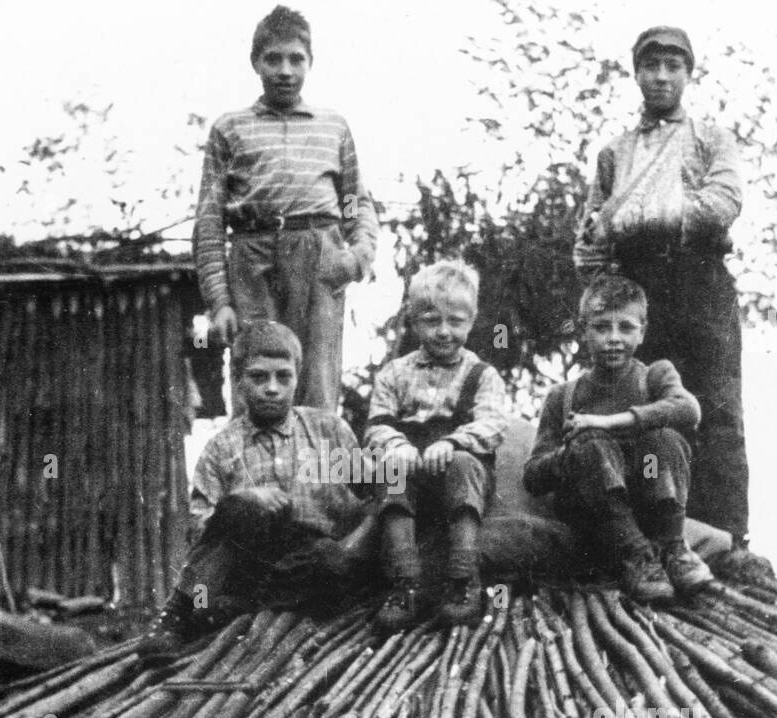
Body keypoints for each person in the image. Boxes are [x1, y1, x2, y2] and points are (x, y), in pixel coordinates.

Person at [574, 25, 755, 559]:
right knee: (641, 400)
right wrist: (603, 293)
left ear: (687, 74)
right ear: (636, 74)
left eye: (672, 66)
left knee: (715, 406)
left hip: (699, 282)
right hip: (638, 287)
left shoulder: (710, 140)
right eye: (651, 67)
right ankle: (651, 536)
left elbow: (720, 204)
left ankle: (728, 538)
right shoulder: (615, 154)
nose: (661, 77)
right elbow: (590, 236)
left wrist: (628, 220)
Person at [135, 321, 367, 654]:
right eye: (259, 377)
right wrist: (241, 499)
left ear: (297, 377)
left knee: (330, 560)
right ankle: (177, 613)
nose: (272, 388)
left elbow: (370, 495)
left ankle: (241, 606)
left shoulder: (328, 430)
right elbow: (201, 531)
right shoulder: (221, 448)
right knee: (241, 509)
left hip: (311, 562)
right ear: (239, 380)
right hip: (246, 560)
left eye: (283, 376)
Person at [192, 5, 379, 412]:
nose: (285, 70)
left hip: (318, 256)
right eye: (273, 58)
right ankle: (253, 476)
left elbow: (354, 202)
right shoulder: (230, 128)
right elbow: (209, 223)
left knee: (316, 387)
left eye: (296, 58)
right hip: (252, 258)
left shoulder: (332, 126)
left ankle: (319, 475)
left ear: (310, 62)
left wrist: (358, 257)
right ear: (256, 62)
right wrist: (220, 302)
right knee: (258, 379)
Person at [523, 275, 713, 601]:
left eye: (625, 327)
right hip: (594, 519)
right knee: (591, 446)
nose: (613, 338)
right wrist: (572, 453)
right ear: (583, 331)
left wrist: (609, 422)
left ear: (642, 332)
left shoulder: (654, 376)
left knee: (663, 440)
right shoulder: (563, 397)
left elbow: (689, 409)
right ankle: (636, 553)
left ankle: (672, 548)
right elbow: (533, 475)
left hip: (650, 508)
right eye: (601, 327)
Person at [365, 260, 507, 630]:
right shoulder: (394, 374)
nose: (444, 332)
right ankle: (404, 582)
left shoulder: (482, 374)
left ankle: (464, 580)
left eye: (455, 321)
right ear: (413, 321)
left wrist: (454, 441)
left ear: (471, 321)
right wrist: (398, 445)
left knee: (462, 465)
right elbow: (376, 425)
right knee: (391, 473)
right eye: (431, 321)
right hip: (411, 473)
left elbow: (492, 425)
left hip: (462, 475)